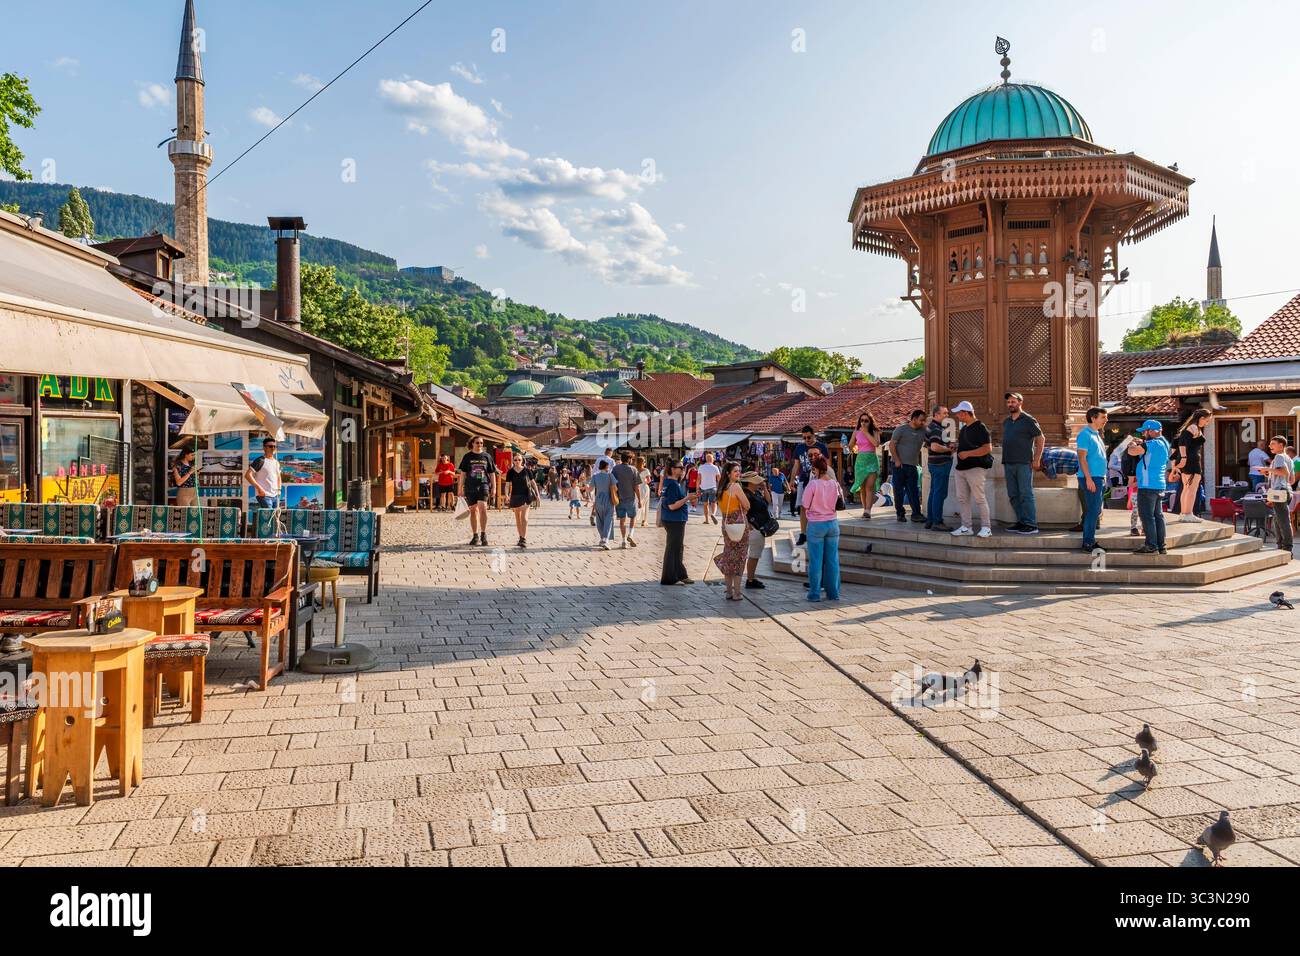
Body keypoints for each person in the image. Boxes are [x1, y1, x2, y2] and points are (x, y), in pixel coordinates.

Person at [1001, 392, 1044, 534]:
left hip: (1024, 463)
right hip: (1008, 462)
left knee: (1025, 493)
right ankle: (1021, 522)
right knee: (1013, 494)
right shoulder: (1007, 421)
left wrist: (1037, 459)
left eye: (1013, 402)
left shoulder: (1028, 420)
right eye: (1008, 402)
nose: (1010, 404)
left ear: (1020, 403)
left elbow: (1041, 438)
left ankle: (1031, 525)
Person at [802, 457, 841, 602]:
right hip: (832, 523)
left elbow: (805, 503)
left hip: (816, 524)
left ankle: (814, 594)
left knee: (816, 561)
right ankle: (833, 593)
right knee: (832, 560)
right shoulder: (834, 483)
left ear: (816, 470)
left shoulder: (813, 484)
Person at [951, 401, 992, 538]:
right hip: (960, 469)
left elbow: (987, 448)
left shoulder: (981, 427)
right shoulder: (964, 429)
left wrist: (967, 454)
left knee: (980, 498)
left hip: (976, 468)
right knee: (962, 499)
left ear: (965, 413)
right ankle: (966, 527)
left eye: (959, 413)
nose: (957, 415)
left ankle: (986, 528)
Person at [1128, 420, 1170, 555]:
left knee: (1147, 516)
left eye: (1145, 431)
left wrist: (1132, 444)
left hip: (1147, 485)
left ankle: (1151, 545)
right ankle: (1161, 545)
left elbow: (1132, 452)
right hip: (1158, 484)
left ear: (1152, 431)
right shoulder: (1164, 443)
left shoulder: (1152, 443)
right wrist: (1141, 443)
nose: (1144, 434)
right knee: (1158, 516)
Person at [712, 462, 751, 601]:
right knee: (740, 557)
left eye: (739, 470)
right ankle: (737, 593)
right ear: (728, 473)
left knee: (729, 556)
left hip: (726, 524)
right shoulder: (736, 487)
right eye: (735, 471)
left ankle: (728, 591)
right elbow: (747, 505)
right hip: (739, 525)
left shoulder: (721, 487)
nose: (738, 473)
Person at [659, 462, 697, 585]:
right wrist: (687, 498)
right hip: (674, 519)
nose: (682, 469)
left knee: (677, 547)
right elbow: (672, 506)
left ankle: (680, 574)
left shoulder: (669, 482)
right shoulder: (672, 484)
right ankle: (669, 578)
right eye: (680, 468)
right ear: (673, 469)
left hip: (674, 519)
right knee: (673, 549)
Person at [1077, 407, 1109, 553]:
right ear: (1093, 418)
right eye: (1103, 417)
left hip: (1098, 477)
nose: (1106, 420)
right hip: (1091, 478)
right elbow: (1082, 458)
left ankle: (1090, 540)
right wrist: (1089, 479)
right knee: (1092, 511)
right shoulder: (1085, 434)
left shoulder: (1096, 434)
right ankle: (1088, 542)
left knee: (1095, 511)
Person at [792, 425, 829, 546]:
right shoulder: (800, 448)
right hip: (804, 480)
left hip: (819, 480)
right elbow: (796, 465)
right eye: (804, 438)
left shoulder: (821, 447)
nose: (806, 440)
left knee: (818, 506)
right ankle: (803, 533)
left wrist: (829, 480)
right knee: (803, 507)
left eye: (808, 437)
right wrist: (792, 480)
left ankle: (817, 532)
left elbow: (827, 465)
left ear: (814, 435)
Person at [888, 409, 927, 523]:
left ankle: (916, 514)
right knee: (898, 491)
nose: (923, 422)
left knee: (913, 490)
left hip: (913, 465)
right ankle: (900, 514)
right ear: (914, 419)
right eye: (921, 420)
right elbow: (891, 445)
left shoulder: (923, 431)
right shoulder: (901, 429)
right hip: (899, 465)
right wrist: (897, 460)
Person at [457, 436, 497, 546]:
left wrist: (494, 488)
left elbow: (492, 474)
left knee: (483, 508)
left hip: (483, 485)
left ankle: (483, 534)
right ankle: (475, 535)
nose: (480, 445)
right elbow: (463, 474)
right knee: (473, 510)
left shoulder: (487, 456)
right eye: (477, 443)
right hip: (470, 486)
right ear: (472, 443)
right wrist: (460, 488)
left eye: (481, 443)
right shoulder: (467, 457)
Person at [1175, 409, 1210, 521]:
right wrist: (1184, 457)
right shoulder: (1193, 427)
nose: (1207, 423)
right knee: (1192, 489)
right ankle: (1188, 513)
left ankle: (1184, 513)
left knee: (1186, 488)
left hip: (1189, 460)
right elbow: (1182, 443)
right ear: (1201, 418)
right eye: (1207, 420)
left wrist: (1182, 459)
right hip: (1192, 461)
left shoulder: (1192, 427)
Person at [924, 404, 955, 531]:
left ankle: (930, 520)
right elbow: (934, 447)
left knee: (934, 492)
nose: (947, 415)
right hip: (941, 464)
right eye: (944, 413)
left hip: (933, 464)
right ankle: (937, 521)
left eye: (947, 413)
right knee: (939, 493)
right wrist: (948, 449)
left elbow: (928, 445)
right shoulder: (937, 428)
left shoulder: (930, 427)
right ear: (936, 415)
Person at [740, 470, 773, 590]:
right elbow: (742, 510)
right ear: (750, 482)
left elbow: (768, 501)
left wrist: (764, 488)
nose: (759, 482)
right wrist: (748, 523)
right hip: (754, 528)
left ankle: (751, 577)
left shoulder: (756, 492)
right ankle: (749, 580)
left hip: (760, 528)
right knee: (753, 555)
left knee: (755, 555)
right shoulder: (747, 494)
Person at [1264, 435, 1295, 559]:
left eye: (1273, 444)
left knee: (1283, 522)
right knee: (1279, 521)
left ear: (1281, 445)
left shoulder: (1279, 456)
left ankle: (1286, 549)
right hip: (1286, 491)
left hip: (1280, 492)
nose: (1270, 446)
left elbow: (1284, 472)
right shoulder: (1289, 458)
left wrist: (1267, 469)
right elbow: (1291, 479)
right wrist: (1270, 472)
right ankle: (1282, 547)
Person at [848, 413, 882, 519]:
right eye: (861, 420)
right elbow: (850, 445)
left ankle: (868, 510)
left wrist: (866, 432)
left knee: (869, 486)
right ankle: (865, 510)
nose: (863, 422)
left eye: (866, 420)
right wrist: (850, 446)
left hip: (871, 460)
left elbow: (876, 444)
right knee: (862, 487)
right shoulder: (856, 432)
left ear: (870, 422)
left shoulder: (875, 432)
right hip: (860, 461)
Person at [503, 453, 535, 548]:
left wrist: (537, 494)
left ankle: (524, 539)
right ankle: (520, 537)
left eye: (519, 460)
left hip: (526, 495)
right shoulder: (510, 472)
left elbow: (533, 483)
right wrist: (506, 495)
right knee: (518, 518)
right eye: (515, 460)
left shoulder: (527, 471)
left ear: (522, 461)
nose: (517, 461)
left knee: (524, 518)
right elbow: (508, 485)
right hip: (515, 496)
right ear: (513, 461)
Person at [612, 452, 641, 548]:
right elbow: (636, 487)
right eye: (631, 459)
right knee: (633, 517)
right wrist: (640, 500)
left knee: (622, 520)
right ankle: (631, 535)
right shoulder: (633, 469)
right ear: (629, 459)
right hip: (630, 498)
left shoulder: (615, 469)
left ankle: (624, 540)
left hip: (619, 498)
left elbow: (612, 484)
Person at [246, 437, 281, 511]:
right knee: (269, 517)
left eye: (275, 446)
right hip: (264, 495)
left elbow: (278, 477)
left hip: (275, 496)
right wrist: (259, 489)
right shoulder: (260, 460)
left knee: (275, 518)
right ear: (264, 448)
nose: (273, 448)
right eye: (270, 446)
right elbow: (248, 475)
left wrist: (279, 490)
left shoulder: (276, 462)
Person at [589, 458, 618, 549]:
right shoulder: (610, 476)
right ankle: (605, 539)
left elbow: (590, 489)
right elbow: (615, 488)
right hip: (609, 500)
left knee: (599, 520)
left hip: (598, 500)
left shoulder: (595, 476)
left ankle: (602, 538)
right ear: (606, 467)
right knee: (608, 520)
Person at [696, 452, 722, 524]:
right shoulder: (715, 467)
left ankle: (707, 520)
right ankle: (713, 514)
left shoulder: (701, 467)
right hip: (713, 488)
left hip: (703, 488)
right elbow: (719, 479)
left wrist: (697, 489)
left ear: (706, 459)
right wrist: (720, 487)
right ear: (712, 459)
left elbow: (698, 479)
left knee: (705, 504)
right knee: (714, 503)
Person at [636, 455, 652, 528]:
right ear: (643, 462)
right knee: (645, 504)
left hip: (636, 488)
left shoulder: (635, 470)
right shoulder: (646, 470)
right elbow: (649, 481)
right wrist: (644, 480)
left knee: (638, 503)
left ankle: (636, 518)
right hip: (644, 488)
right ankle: (643, 520)